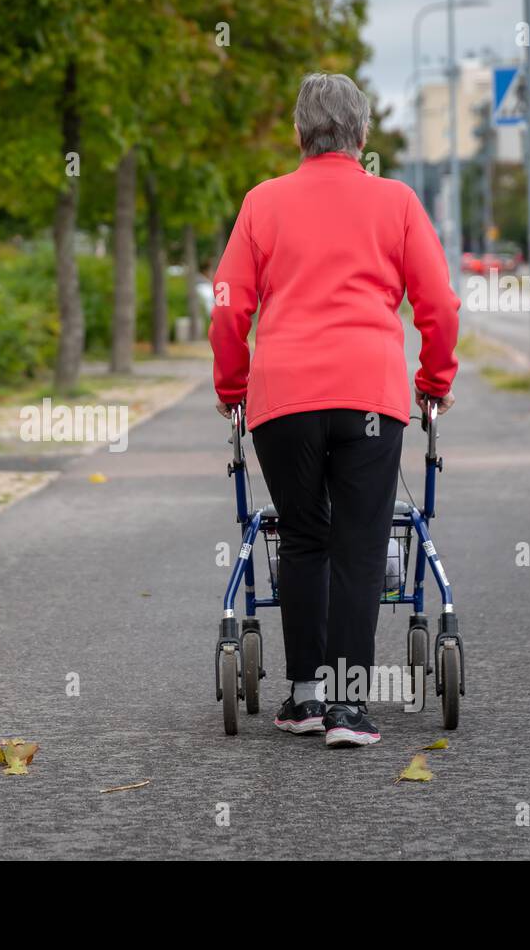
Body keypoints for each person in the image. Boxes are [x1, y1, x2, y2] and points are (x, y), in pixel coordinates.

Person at [208, 72, 459, 748]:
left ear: (298, 133)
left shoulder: (263, 203)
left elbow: (230, 304)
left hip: (284, 398)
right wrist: (434, 379)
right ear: (363, 135)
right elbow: (439, 305)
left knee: (304, 534)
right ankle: (350, 707)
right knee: (359, 542)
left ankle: (305, 696)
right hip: (370, 396)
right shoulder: (397, 201)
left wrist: (232, 385)